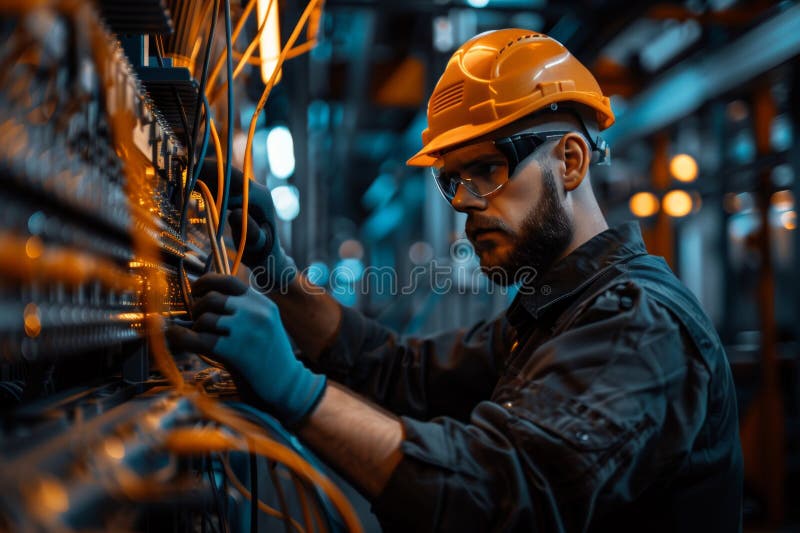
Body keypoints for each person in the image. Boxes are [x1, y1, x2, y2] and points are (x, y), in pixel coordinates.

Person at [168, 29, 743, 532]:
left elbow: (494, 499)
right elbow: (398, 370)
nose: (466, 204)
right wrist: (275, 271)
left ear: (570, 161)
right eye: (454, 181)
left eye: (488, 170)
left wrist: (294, 390)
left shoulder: (637, 324)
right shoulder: (553, 315)